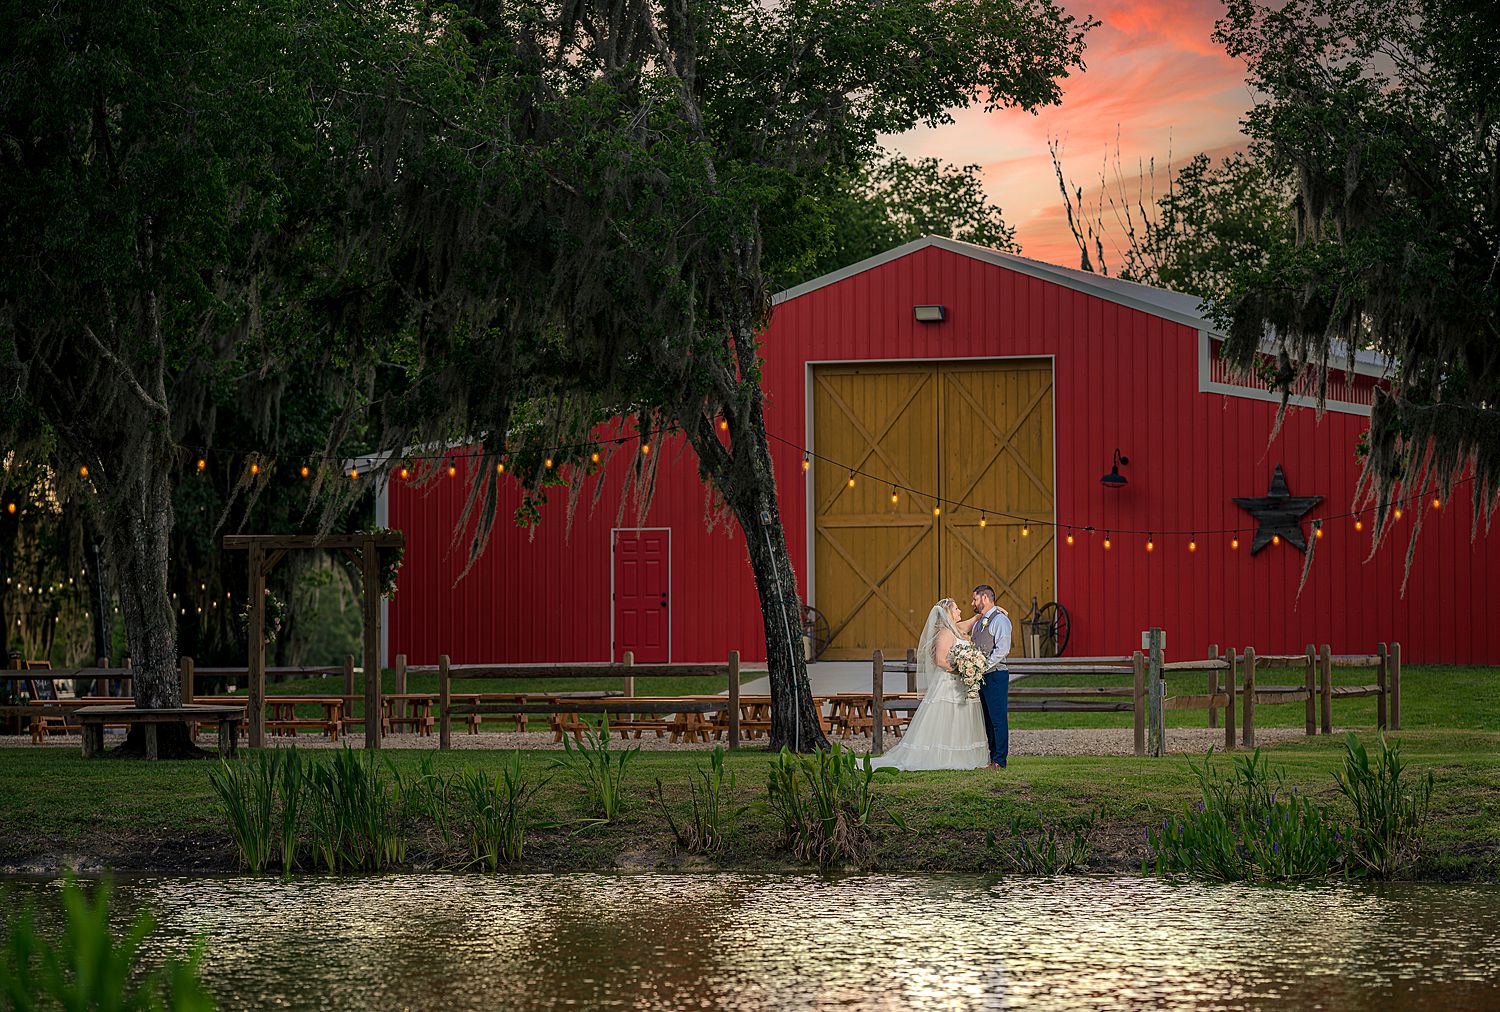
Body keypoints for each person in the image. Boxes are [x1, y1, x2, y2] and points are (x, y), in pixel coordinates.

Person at [872, 599, 991, 770]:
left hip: (961, 684)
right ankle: (943, 755)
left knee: (960, 719)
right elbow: (940, 661)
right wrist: (963, 670)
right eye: (957, 609)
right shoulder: (945, 633)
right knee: (948, 718)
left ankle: (960, 754)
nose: (960, 611)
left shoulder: (954, 630)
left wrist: (988, 612)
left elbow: (971, 622)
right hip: (949, 683)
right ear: (949, 613)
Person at [970, 584, 1012, 768]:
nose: (973, 603)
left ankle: (1000, 760)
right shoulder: (979, 623)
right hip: (982, 677)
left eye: (975, 599)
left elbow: (1002, 649)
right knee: (987, 719)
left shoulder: (1000, 620)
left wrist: (983, 666)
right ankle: (992, 758)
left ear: (985, 598)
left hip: (996, 675)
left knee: (998, 719)